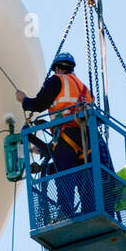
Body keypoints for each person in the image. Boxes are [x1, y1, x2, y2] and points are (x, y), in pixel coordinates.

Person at [16, 52, 107, 217]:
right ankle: (91, 213)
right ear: (71, 68)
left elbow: (38, 104)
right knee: (85, 176)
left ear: (57, 68)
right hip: (87, 138)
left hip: (67, 135)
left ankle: (64, 214)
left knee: (65, 177)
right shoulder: (83, 88)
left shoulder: (56, 80)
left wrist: (23, 100)